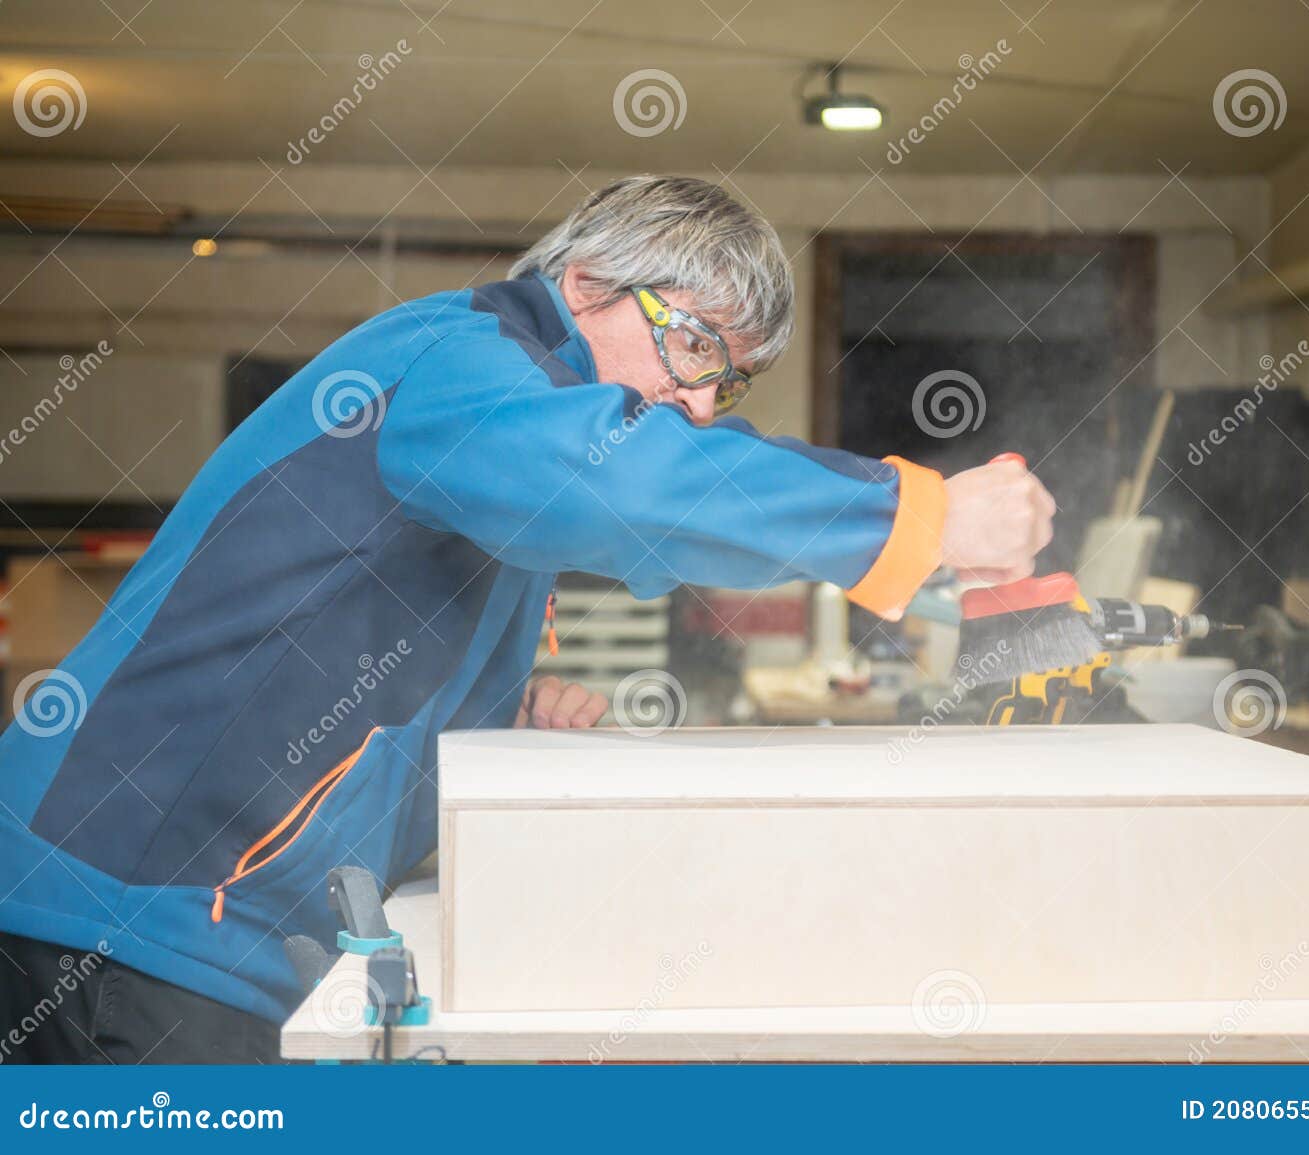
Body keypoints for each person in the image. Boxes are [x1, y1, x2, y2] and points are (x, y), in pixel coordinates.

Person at [0, 175, 1055, 1063]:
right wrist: (921, 511)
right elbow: (638, 490)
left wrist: (503, 724)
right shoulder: (461, 363)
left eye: (726, 383)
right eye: (691, 348)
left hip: (188, 917)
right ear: (586, 283)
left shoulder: (511, 422)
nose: (699, 401)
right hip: (123, 909)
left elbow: (373, 667)